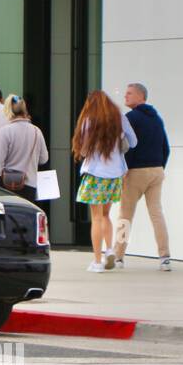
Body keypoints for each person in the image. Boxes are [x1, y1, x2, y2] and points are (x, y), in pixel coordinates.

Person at [72, 89, 137, 273]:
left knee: (96, 217)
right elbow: (133, 142)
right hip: (115, 174)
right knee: (107, 215)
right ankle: (109, 250)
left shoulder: (88, 121)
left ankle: (97, 261)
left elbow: (84, 150)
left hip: (95, 173)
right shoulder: (120, 118)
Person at [114, 82, 172, 271]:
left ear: (140, 96)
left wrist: (124, 170)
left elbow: (127, 147)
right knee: (157, 214)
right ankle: (165, 257)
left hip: (135, 172)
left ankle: (118, 256)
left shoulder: (130, 118)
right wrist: (160, 165)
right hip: (156, 170)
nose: (125, 97)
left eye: (129, 93)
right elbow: (166, 147)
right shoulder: (157, 119)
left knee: (125, 215)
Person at [0, 95, 49, 202]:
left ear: (8, 110)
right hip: (30, 185)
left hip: (7, 186)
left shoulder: (6, 131)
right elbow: (44, 159)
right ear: (24, 110)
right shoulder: (36, 131)